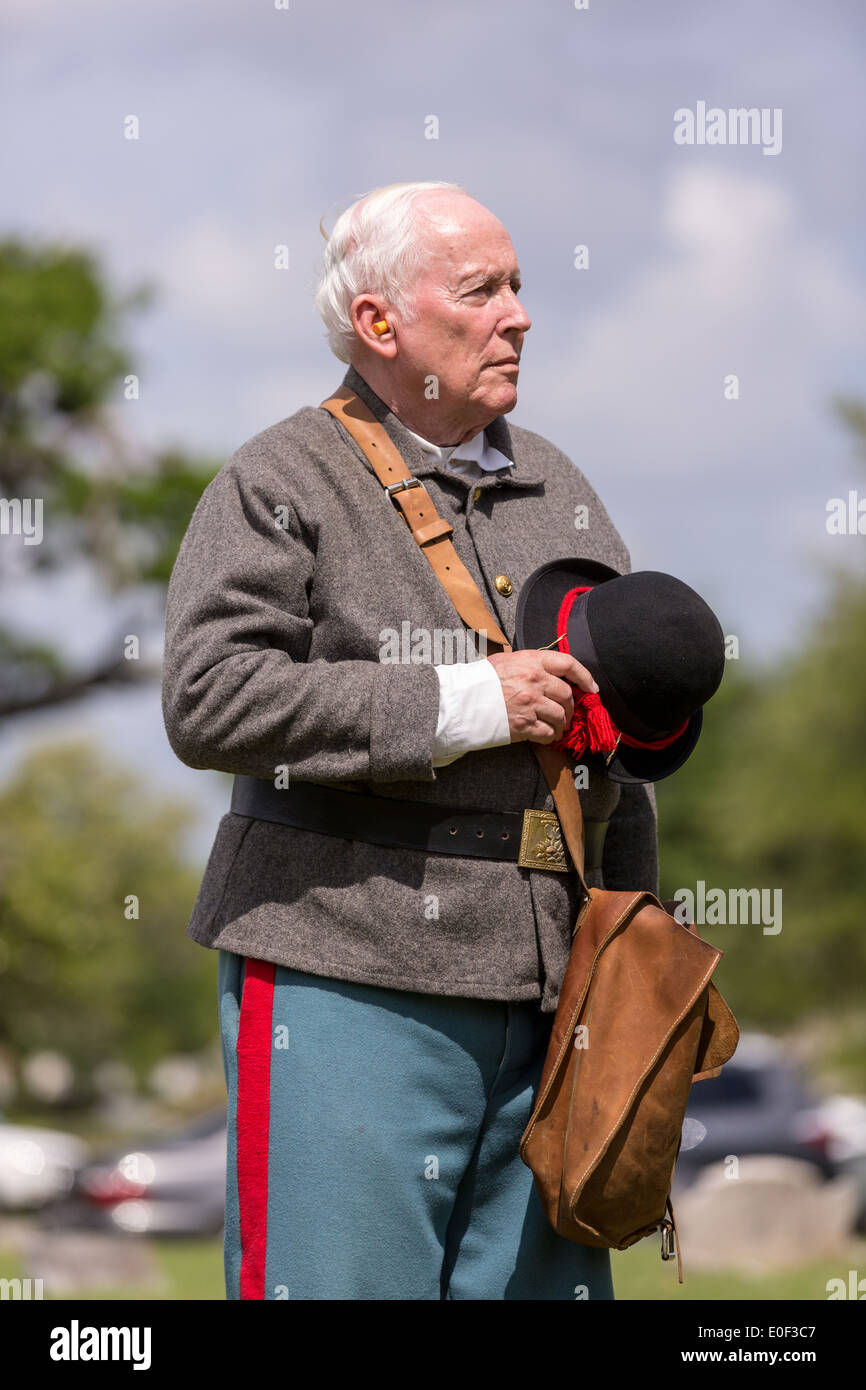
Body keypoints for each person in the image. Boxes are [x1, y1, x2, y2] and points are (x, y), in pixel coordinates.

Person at [161, 180, 659, 1300]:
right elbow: (208, 699)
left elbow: (610, 757)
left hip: (554, 1001)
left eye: (518, 287)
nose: (518, 315)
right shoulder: (278, 478)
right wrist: (462, 704)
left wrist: (630, 950)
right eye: (482, 289)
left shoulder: (561, 490)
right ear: (380, 324)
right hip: (345, 973)